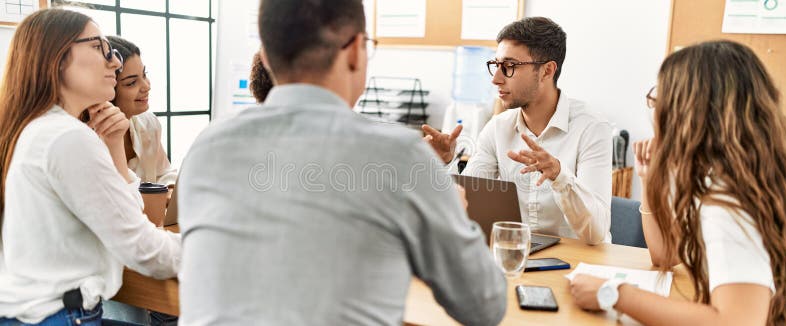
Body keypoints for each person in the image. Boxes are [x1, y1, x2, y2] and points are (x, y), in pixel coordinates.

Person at [177, 0, 506, 324]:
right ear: (355, 50)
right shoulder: (400, 155)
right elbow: (485, 305)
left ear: (265, 57)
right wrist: (453, 214)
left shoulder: (208, 145)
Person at [570, 40, 786, 325]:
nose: (655, 111)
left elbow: (736, 321)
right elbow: (666, 255)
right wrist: (649, 179)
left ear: (688, 113)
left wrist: (614, 293)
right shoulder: (731, 176)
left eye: (660, 100)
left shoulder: (729, 201)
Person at [0, 9, 181, 325]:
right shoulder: (67, 138)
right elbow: (143, 251)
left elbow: (127, 216)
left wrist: (114, 146)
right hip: (60, 317)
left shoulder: (35, 128)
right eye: (99, 48)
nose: (114, 63)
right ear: (56, 59)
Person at [422, 17, 612, 244]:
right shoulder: (497, 128)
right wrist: (442, 163)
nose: (496, 79)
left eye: (509, 66)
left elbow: (596, 234)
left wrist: (559, 175)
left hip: (579, 260)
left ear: (547, 71)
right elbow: (463, 208)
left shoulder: (592, 127)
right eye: (496, 65)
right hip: (518, 254)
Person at [108, 36, 177, 185]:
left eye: (144, 75)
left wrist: (170, 188)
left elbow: (165, 174)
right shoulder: (88, 139)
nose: (147, 86)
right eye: (132, 83)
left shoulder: (149, 123)